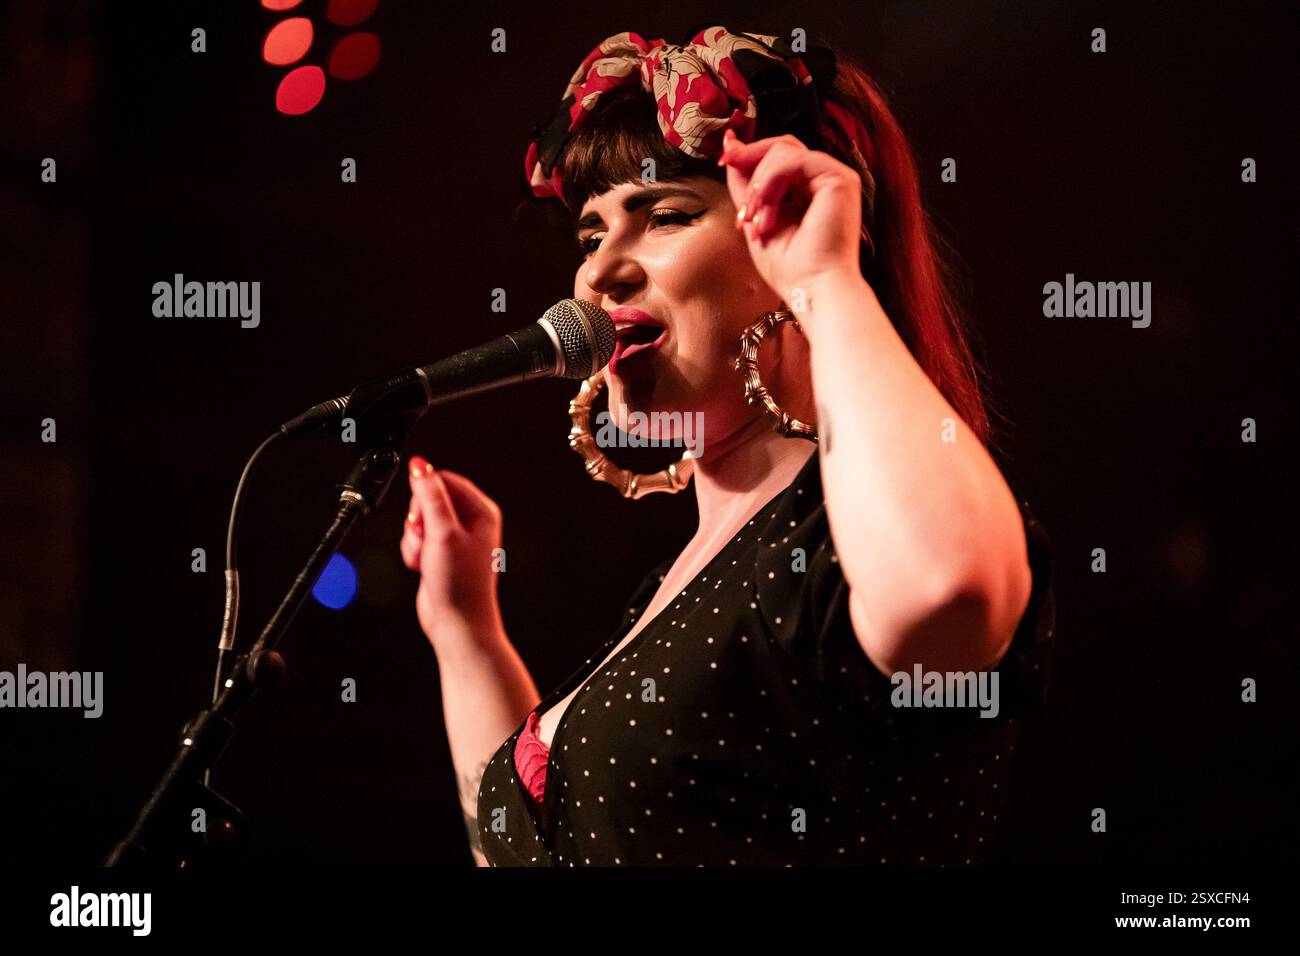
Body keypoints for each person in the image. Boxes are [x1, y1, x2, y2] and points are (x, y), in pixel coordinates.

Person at [399, 24, 1055, 866]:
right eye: (591, 234)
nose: (600, 272)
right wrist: (464, 628)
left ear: (793, 227)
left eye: (663, 214)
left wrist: (824, 280)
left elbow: (947, 591)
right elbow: (518, 849)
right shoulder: (677, 586)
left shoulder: (830, 540)